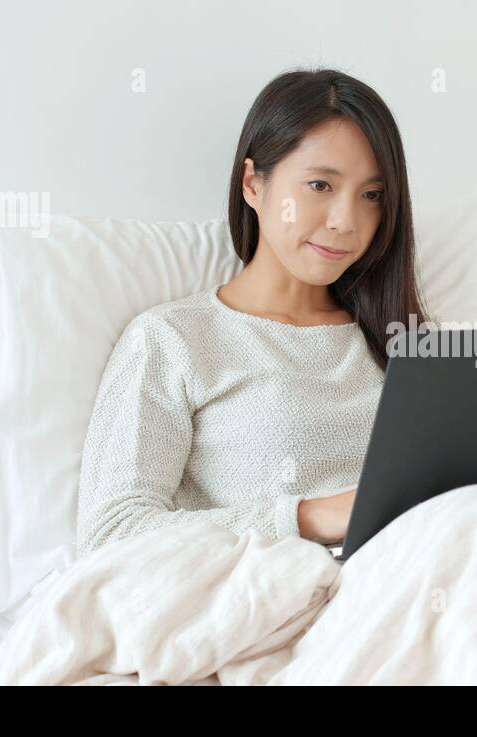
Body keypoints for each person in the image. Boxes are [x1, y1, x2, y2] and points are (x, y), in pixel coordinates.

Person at [75, 68, 429, 559]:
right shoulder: (173, 340)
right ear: (252, 185)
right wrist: (308, 516)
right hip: (290, 601)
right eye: (320, 185)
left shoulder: (413, 346)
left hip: (428, 576)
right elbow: (111, 532)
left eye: (372, 196)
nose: (346, 221)